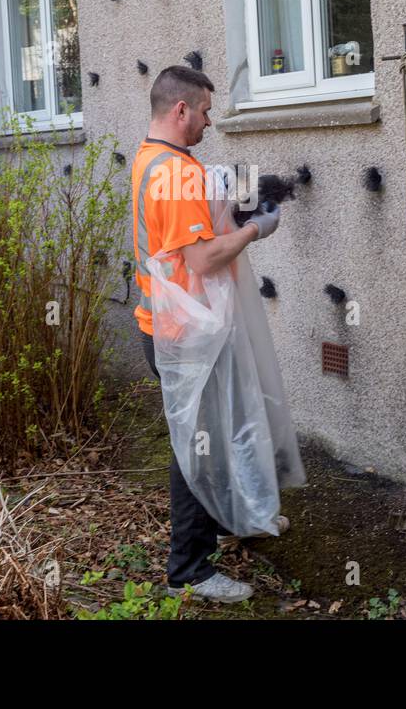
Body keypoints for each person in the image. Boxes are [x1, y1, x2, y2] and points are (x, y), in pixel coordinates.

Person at [131, 65, 285, 603]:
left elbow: (187, 226)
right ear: (180, 110)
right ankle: (188, 571)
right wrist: (254, 229)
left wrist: (238, 200)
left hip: (177, 327)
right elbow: (201, 257)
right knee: (194, 447)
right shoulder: (174, 173)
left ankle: (226, 519)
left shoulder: (157, 159)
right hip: (182, 335)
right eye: (203, 111)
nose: (208, 120)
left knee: (212, 433)